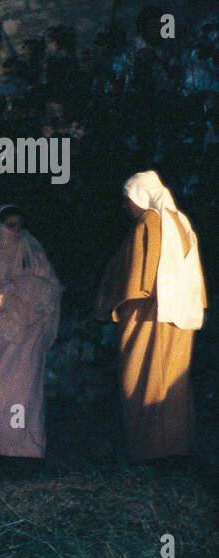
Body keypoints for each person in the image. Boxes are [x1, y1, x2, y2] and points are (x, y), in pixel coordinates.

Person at [95, 170, 206, 461]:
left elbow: (134, 276)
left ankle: (152, 452)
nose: (124, 206)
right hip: (177, 315)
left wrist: (108, 300)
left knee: (143, 378)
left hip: (149, 315)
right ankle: (175, 448)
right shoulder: (179, 222)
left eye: (126, 199)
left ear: (139, 197)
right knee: (171, 381)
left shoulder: (149, 222)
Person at [0, 205, 61, 458]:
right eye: (10, 225)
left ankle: (23, 449)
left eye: (19, 225)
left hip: (26, 335)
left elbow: (50, 289)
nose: (16, 231)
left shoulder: (32, 251)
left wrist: (24, 289)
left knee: (20, 394)